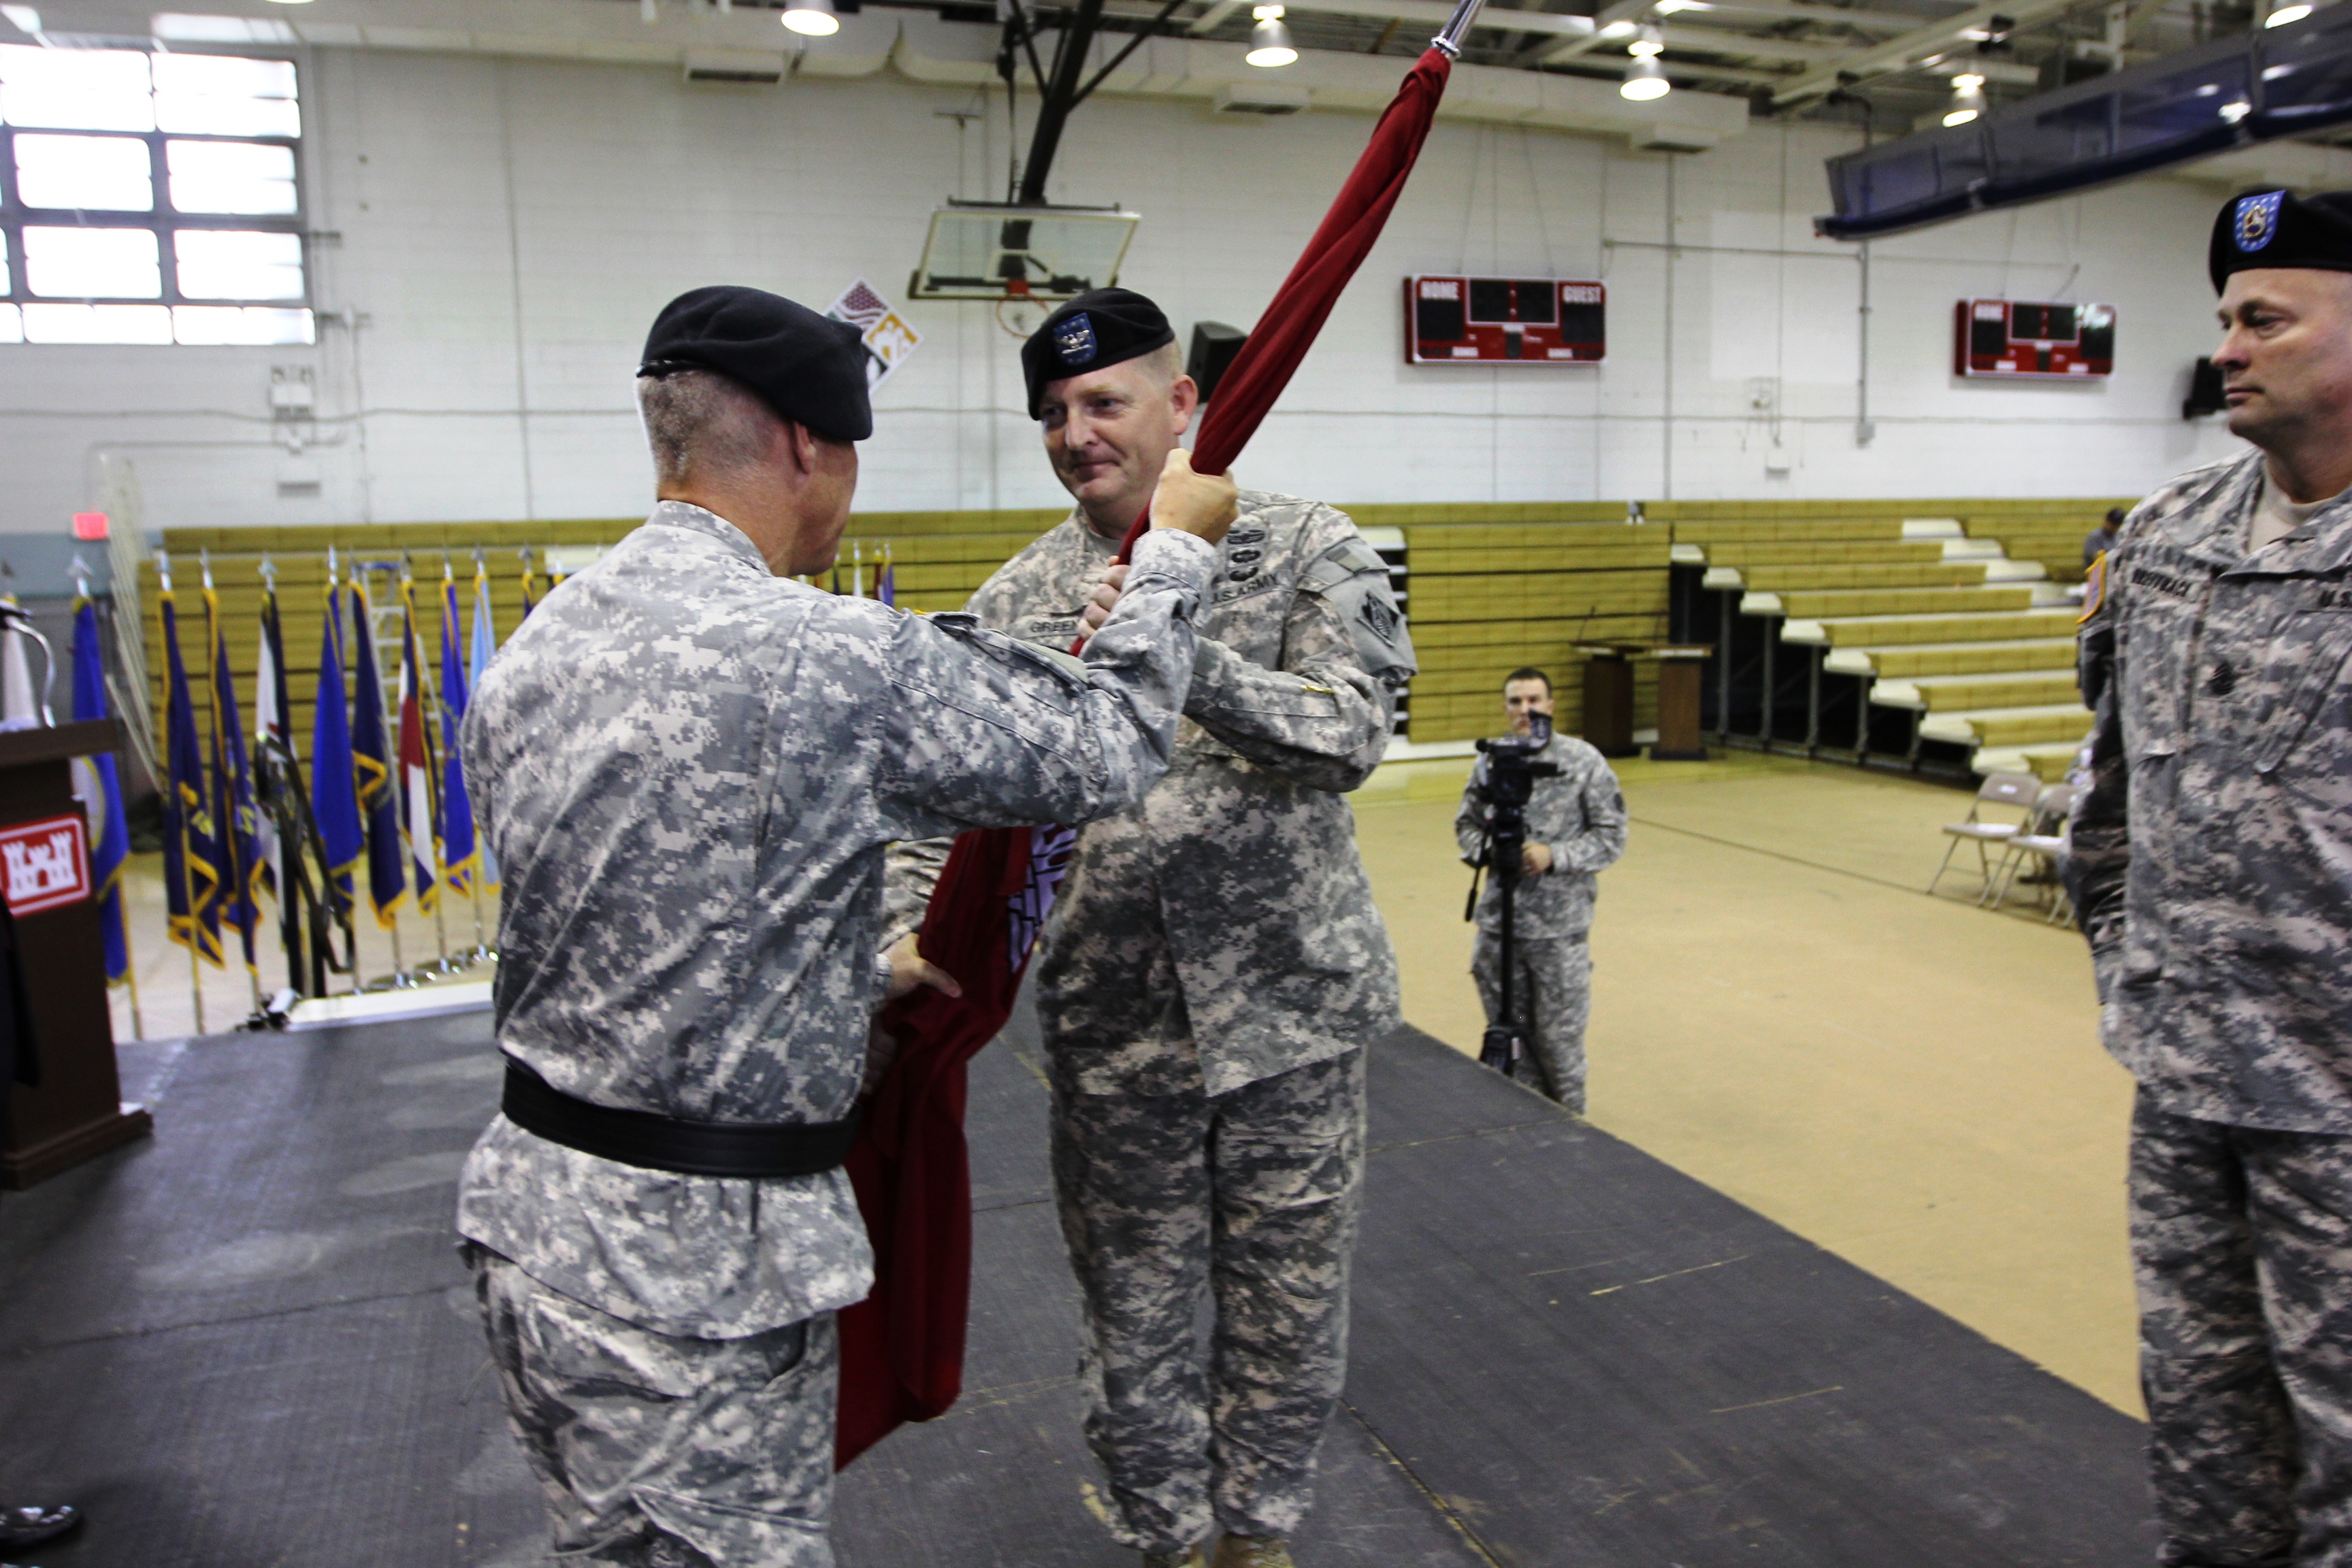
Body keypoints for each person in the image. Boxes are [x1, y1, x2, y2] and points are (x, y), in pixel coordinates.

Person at [455, 284, 1237, 1568]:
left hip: (537, 1219)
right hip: (693, 1269)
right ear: (810, 445)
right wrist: (1175, 556)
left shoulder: (544, 640)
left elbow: (643, 906)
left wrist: (843, 970)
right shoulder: (821, 651)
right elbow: (1103, 747)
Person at [887, 289, 1415, 1568]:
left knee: (1287, 1309)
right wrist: (905, 923)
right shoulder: (1017, 600)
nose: (1077, 433)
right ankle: (1168, 1539)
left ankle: (1256, 1535)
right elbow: (936, 804)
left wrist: (1172, 636)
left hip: (1292, 1015)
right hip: (1116, 1034)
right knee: (1135, 1315)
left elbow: (1353, 732)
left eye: (1104, 400)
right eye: (1055, 413)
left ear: (1182, 405)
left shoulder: (1301, 546)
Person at [2071, 187, 2352, 1565]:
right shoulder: (2169, 535)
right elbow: (2107, 800)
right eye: (2227, 319)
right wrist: (2138, 975)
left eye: (2266, 318)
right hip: (2189, 1096)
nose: (2229, 347)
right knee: (2201, 1436)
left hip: (2344, 1111)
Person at [1454, 668, 1626, 1113]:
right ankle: (1528, 1123)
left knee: (1558, 1041)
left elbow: (1611, 838)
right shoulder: (1491, 759)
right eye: (1515, 702)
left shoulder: (1583, 761)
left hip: (1559, 930)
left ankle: (1572, 1129)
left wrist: (1556, 856)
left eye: (1534, 700)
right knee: (1508, 1033)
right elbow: (1467, 827)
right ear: (1506, 708)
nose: (1525, 710)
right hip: (1500, 924)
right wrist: (1492, 852)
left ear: (1551, 704)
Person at [2082, 505, 2123, 570]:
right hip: (2096, 573)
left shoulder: (2119, 536)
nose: (2114, 527)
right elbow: (2096, 559)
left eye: (2117, 525)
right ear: (2106, 521)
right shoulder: (2094, 537)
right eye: (2112, 523)